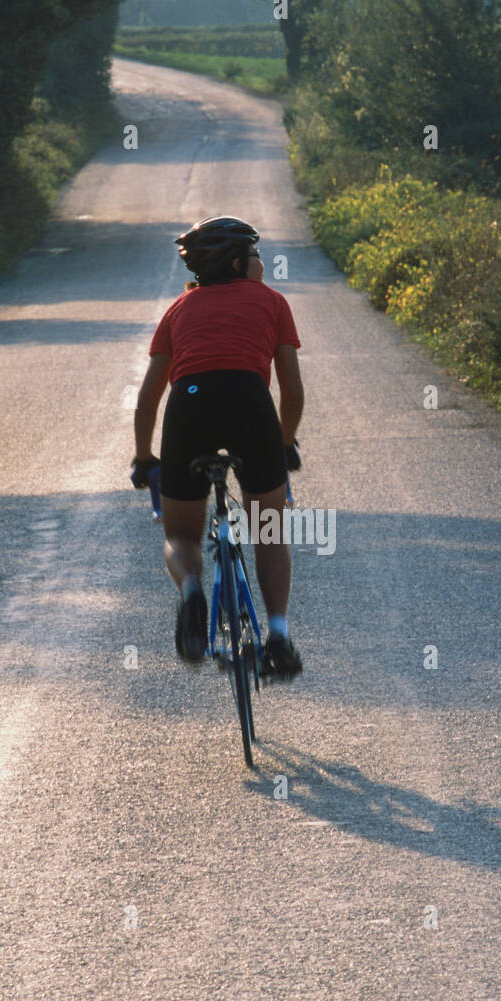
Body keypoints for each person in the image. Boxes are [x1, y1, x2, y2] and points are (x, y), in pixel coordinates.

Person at [131, 215, 304, 679]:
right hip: (251, 406)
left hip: (189, 409)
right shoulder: (272, 302)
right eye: (255, 254)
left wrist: (144, 457)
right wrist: (283, 445)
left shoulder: (177, 311)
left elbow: (148, 398)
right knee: (267, 529)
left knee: (181, 534)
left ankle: (191, 590)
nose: (261, 262)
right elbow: (292, 390)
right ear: (236, 262)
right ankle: (281, 637)